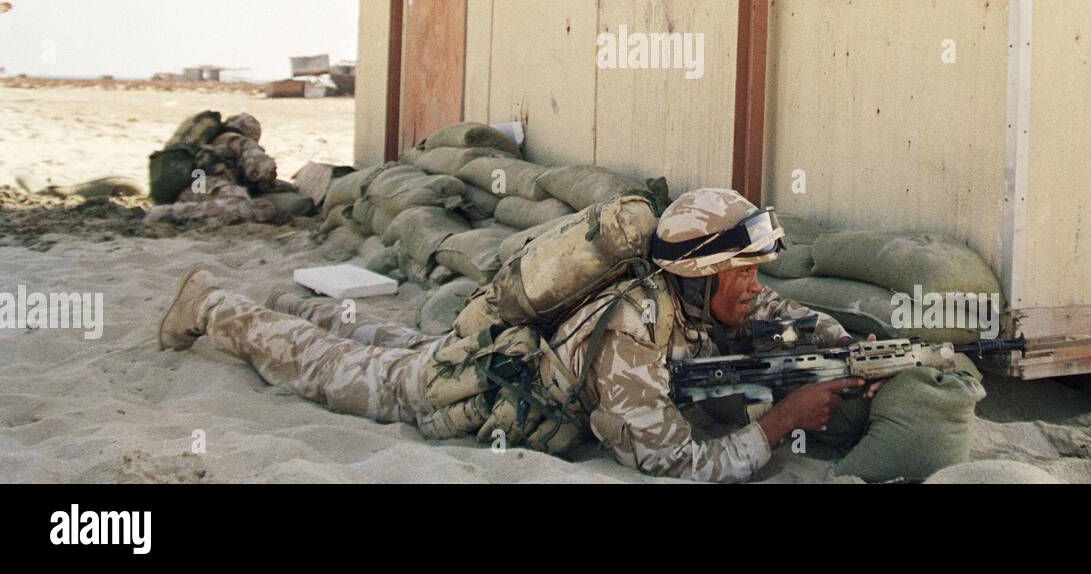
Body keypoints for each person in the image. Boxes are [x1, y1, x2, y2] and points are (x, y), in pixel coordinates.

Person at [158, 188, 877, 482]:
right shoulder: (636, 329)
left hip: (502, 352)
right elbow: (673, 461)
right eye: (745, 272)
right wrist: (781, 423)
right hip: (450, 388)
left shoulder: (705, 295)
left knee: (370, 339)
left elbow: (786, 318)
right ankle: (215, 305)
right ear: (703, 272)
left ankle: (297, 299)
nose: (756, 286)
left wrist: (854, 354)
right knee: (322, 366)